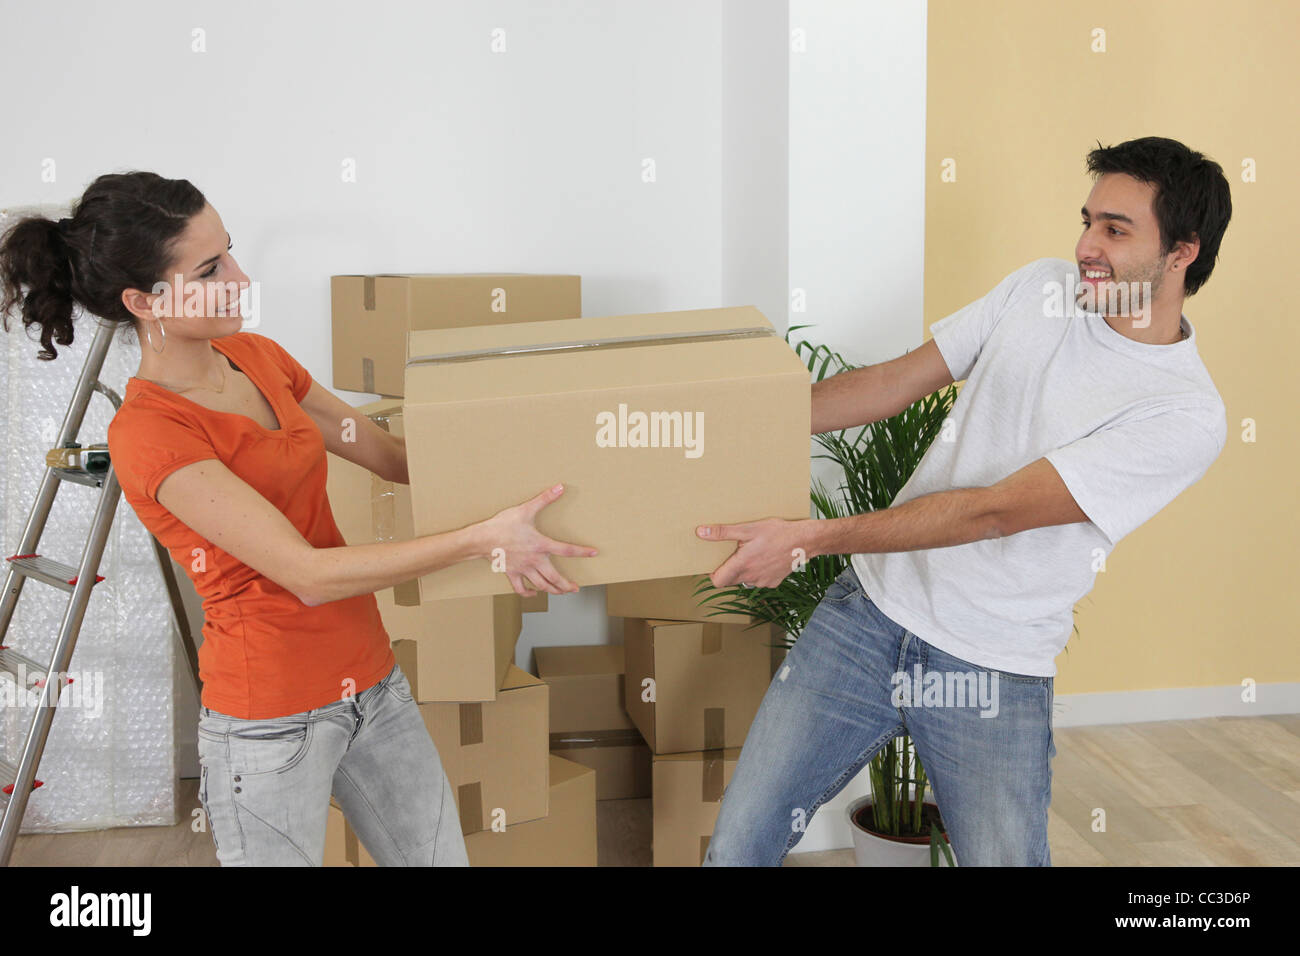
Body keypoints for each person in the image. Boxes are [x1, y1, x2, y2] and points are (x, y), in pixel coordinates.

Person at [0, 170, 598, 866]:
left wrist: (531, 435)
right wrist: (482, 540)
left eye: (231, 250)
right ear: (143, 300)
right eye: (210, 269)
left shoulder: (260, 359)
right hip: (270, 723)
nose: (241, 277)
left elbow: (396, 459)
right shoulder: (151, 432)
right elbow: (307, 575)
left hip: (373, 684)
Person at [693, 136, 1232, 866]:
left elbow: (994, 512)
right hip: (868, 618)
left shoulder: (1182, 413)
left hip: (992, 662)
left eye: (1115, 229)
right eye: (1087, 219)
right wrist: (744, 422)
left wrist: (808, 538)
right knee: (738, 842)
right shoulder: (1038, 290)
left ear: (1182, 253)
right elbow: (896, 382)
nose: (1084, 246)